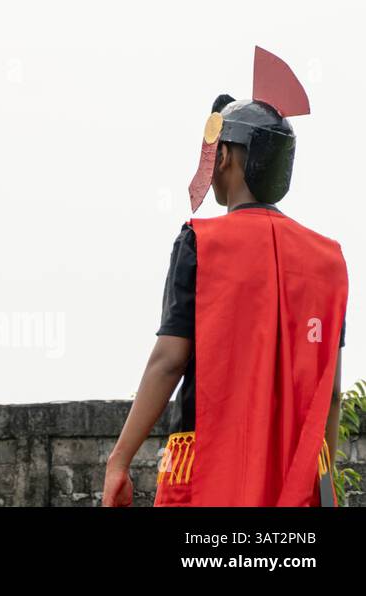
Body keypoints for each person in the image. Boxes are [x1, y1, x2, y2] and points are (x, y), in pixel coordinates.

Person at [103, 47, 348, 507]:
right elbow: (330, 393)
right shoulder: (328, 260)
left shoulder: (200, 242)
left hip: (210, 469)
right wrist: (322, 486)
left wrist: (119, 461)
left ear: (230, 157)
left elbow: (169, 360)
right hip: (294, 474)